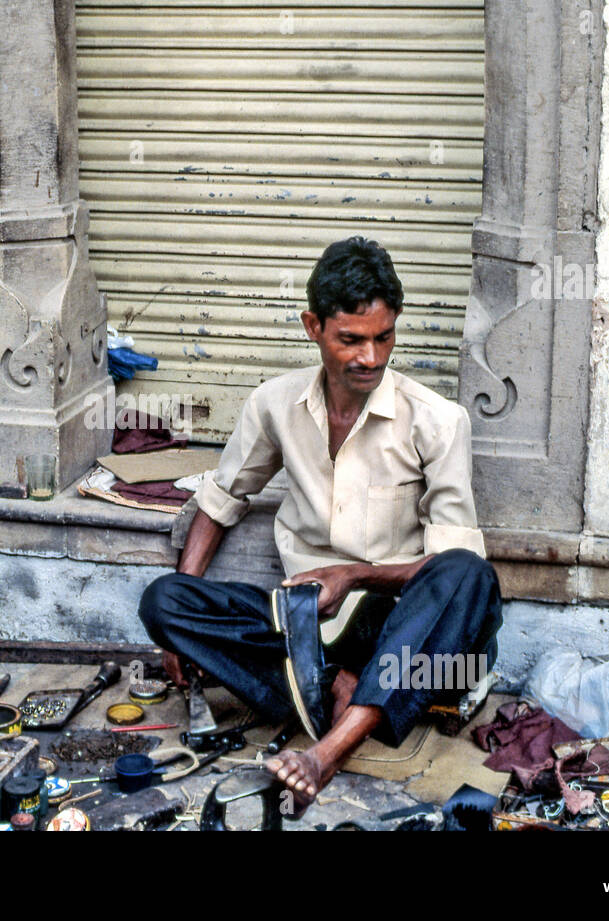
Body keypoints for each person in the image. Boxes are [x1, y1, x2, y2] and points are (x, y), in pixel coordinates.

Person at [138, 237, 502, 811]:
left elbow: (445, 568)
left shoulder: (438, 420)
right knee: (164, 601)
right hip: (303, 626)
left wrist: (354, 575)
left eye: (384, 337)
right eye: (351, 340)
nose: (371, 357)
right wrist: (188, 606)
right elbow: (220, 499)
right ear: (313, 327)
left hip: (401, 628)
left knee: (470, 576)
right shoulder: (274, 405)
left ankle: (326, 749)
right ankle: (336, 687)